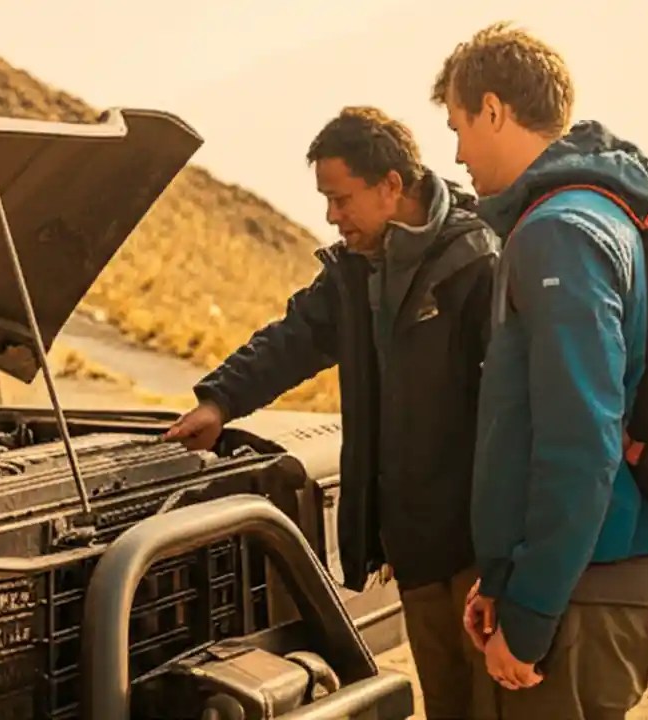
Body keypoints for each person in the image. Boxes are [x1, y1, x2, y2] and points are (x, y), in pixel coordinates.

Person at [164, 106, 501, 719]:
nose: (331, 216)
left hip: (482, 549)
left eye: (341, 198)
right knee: (449, 708)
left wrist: (510, 558)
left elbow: (513, 413)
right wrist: (219, 401)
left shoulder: (477, 261)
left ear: (392, 184)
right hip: (417, 546)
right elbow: (292, 339)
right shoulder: (354, 272)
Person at [430, 22, 648, 719]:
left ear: (493, 109)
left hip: (585, 589)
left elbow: (580, 442)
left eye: (458, 126)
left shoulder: (559, 234)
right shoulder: (589, 215)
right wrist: (504, 583)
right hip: (582, 576)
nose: (457, 154)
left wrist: (533, 612)